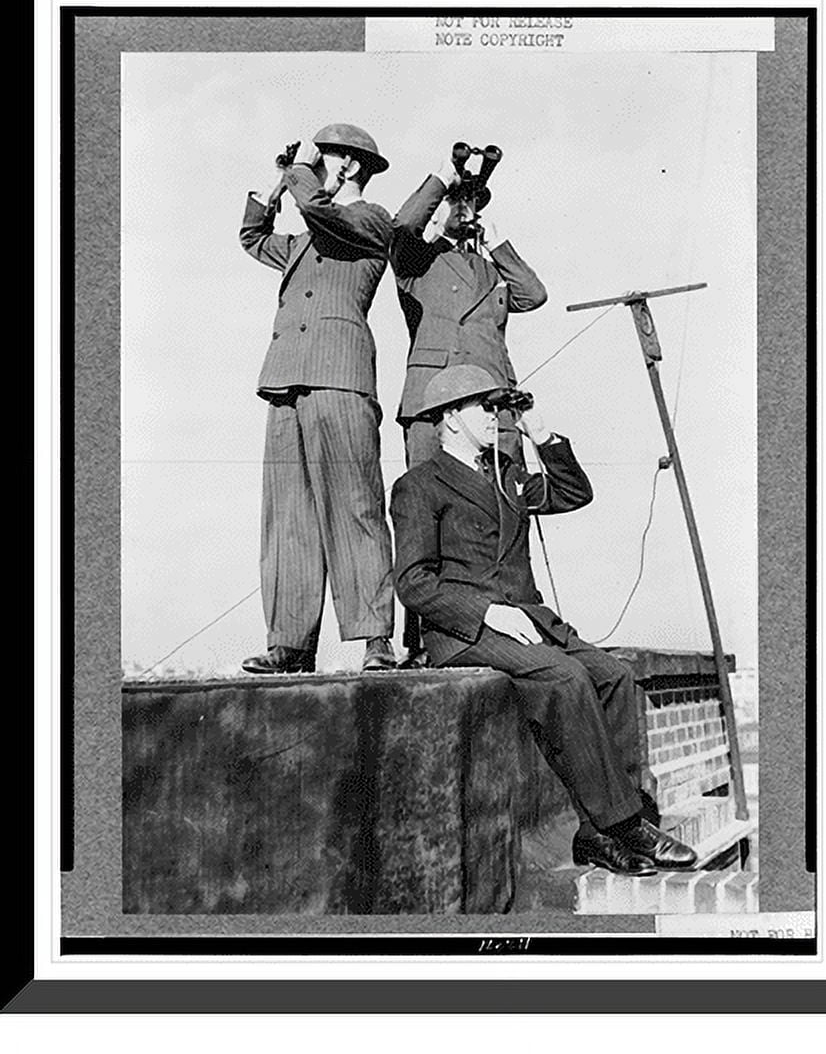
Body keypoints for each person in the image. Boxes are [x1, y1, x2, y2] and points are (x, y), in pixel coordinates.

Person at [389, 365, 697, 875]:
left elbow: (573, 494)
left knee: (614, 675)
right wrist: (487, 611)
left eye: (498, 406)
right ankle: (626, 824)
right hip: (468, 630)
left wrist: (544, 437)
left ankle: (596, 834)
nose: (495, 416)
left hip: (528, 620)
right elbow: (414, 582)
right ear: (448, 417)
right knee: (566, 676)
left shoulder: (507, 474)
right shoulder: (418, 486)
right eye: (482, 407)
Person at [238, 124, 396, 675]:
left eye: (322, 157)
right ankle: (290, 644)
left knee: (354, 504)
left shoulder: (371, 220)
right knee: (288, 518)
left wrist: (302, 175)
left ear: (348, 165)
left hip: (341, 377)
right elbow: (254, 238)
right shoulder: (304, 236)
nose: (311, 163)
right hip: (286, 379)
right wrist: (279, 179)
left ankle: (375, 636)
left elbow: (324, 215)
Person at [390, 149, 548, 659]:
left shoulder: (490, 269)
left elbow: (535, 294)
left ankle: (512, 623)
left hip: (492, 408)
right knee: (427, 528)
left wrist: (497, 241)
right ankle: (423, 643)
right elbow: (402, 228)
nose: (466, 214)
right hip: (438, 406)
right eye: (459, 205)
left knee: (503, 515)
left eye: (473, 205)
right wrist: (441, 186)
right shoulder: (418, 263)